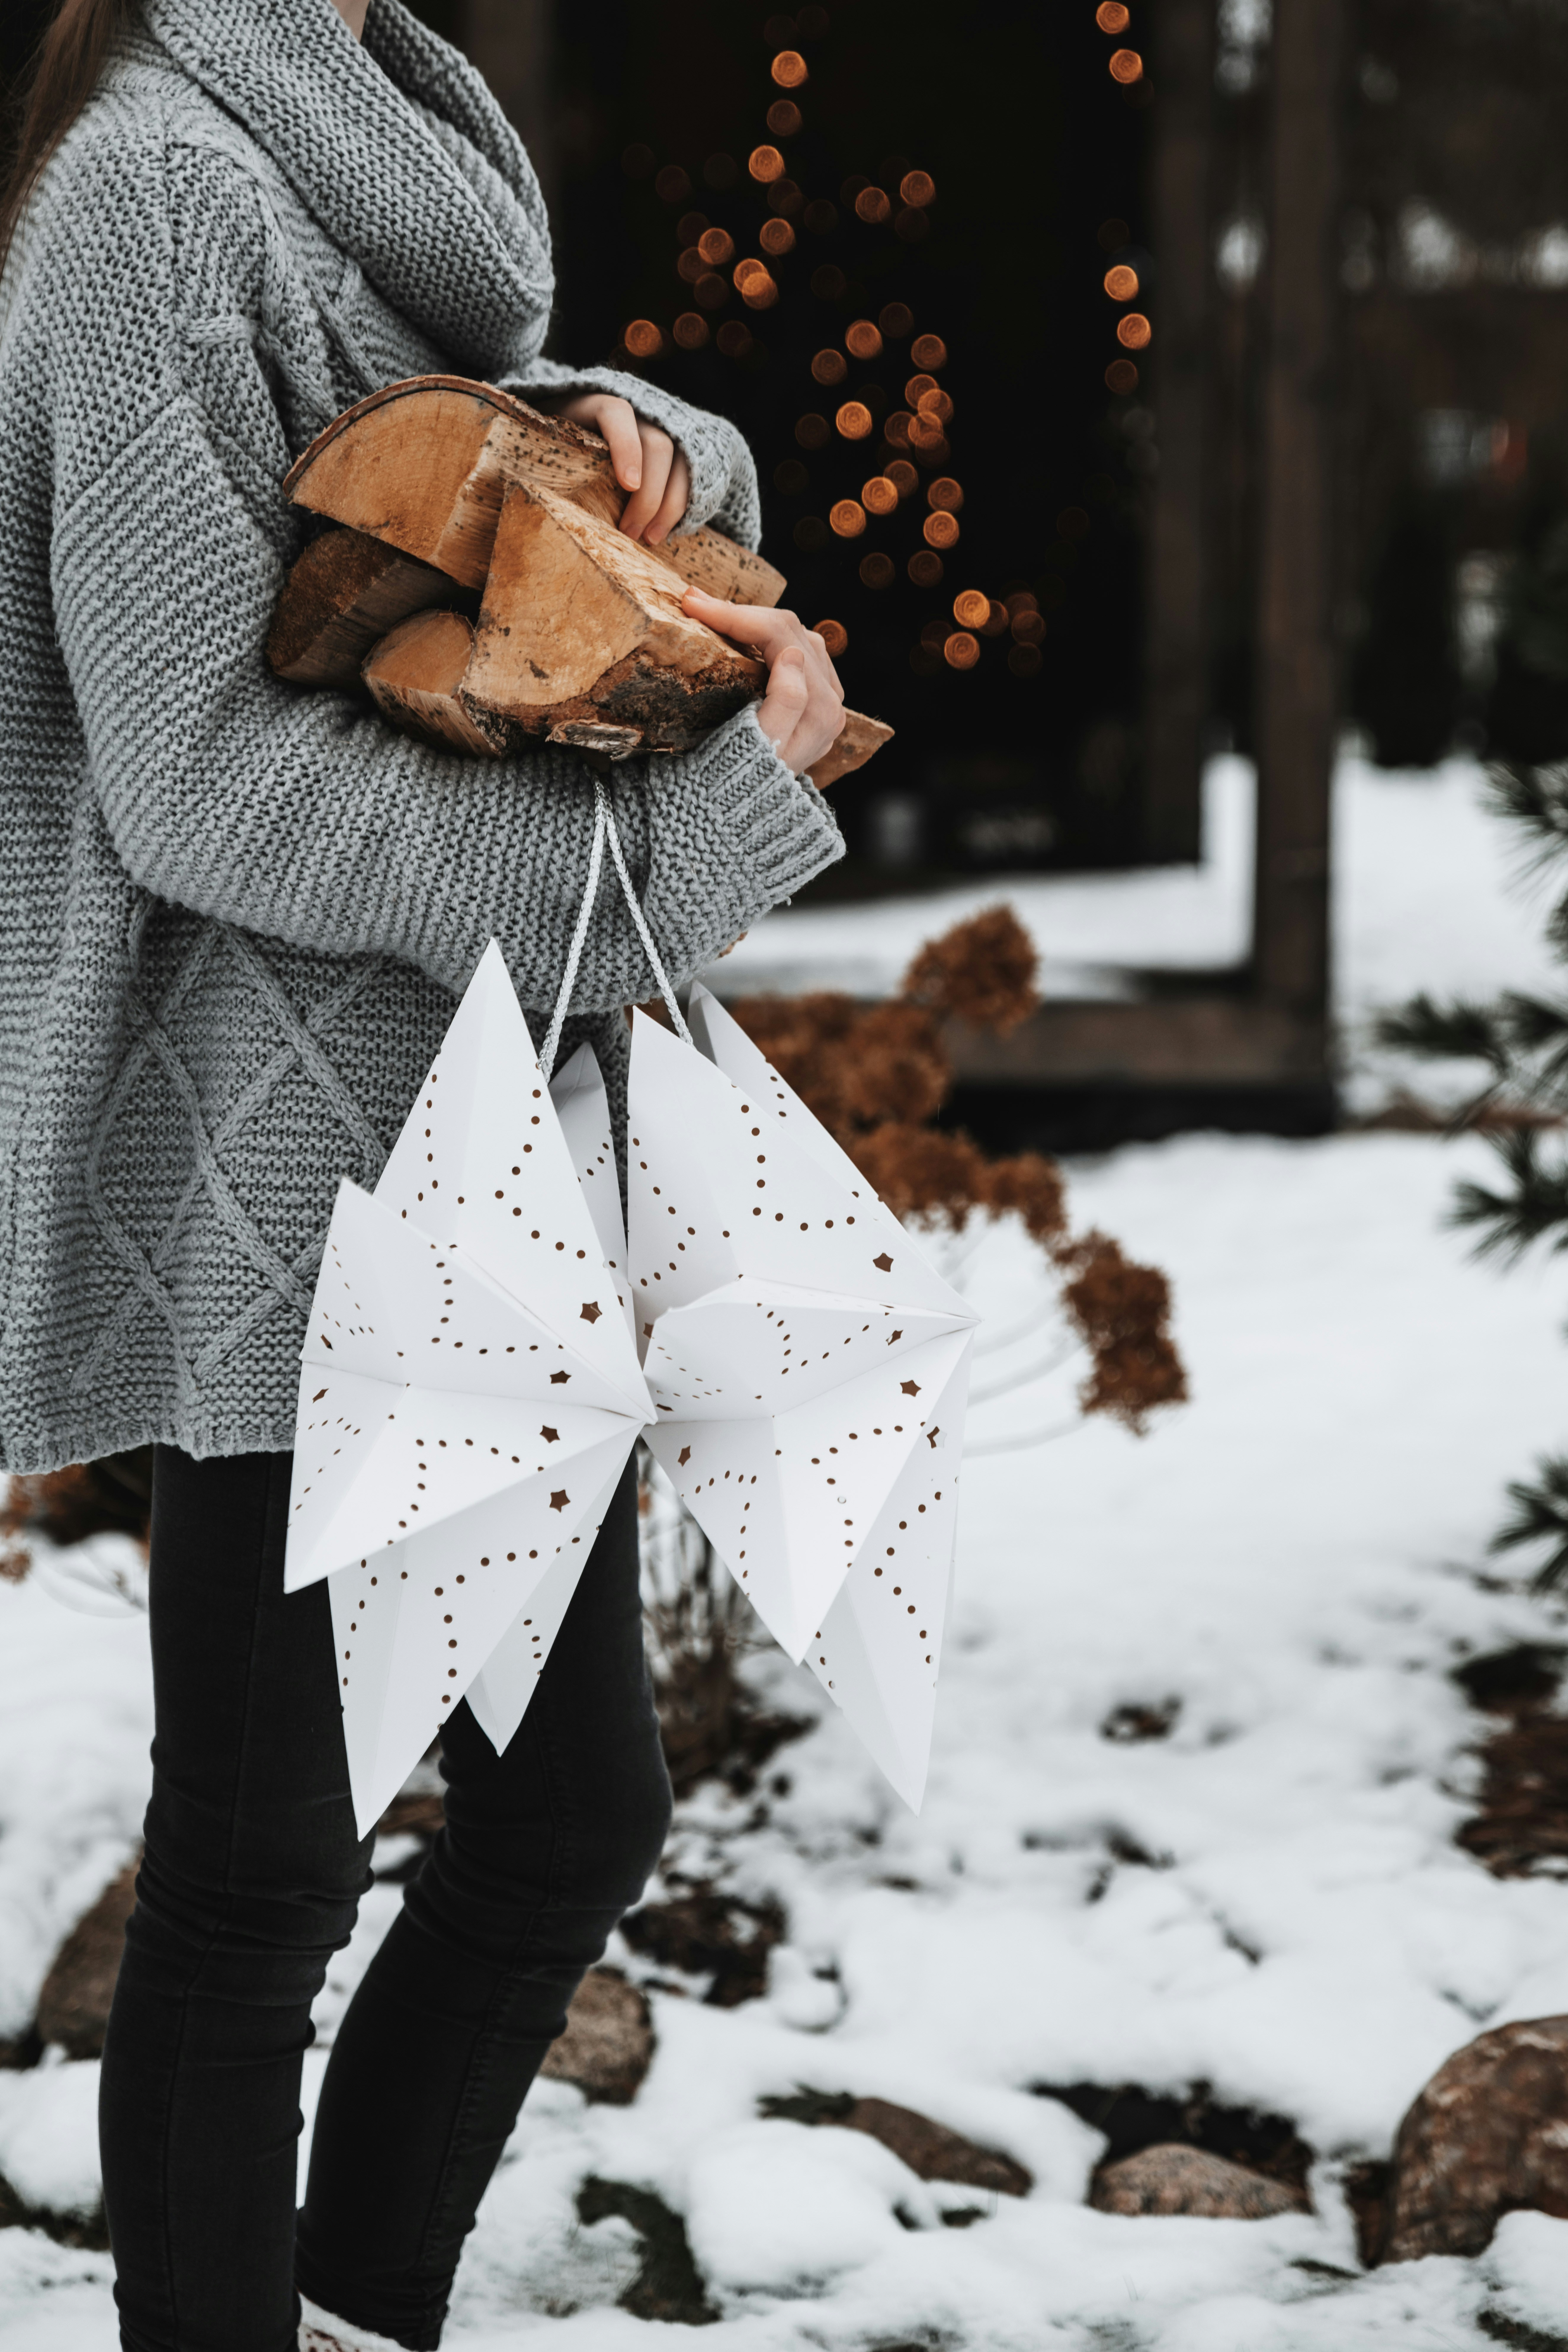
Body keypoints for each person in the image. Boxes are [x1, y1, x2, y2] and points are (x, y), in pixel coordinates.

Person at [0, 0, 848, 2345]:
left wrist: (632, 441)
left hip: (462, 1142)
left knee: (568, 1824)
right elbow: (192, 776)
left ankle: (356, 2311)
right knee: (262, 1866)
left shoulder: (384, 139)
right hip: (268, 1161)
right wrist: (667, 844)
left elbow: (469, 465)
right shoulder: (154, 192)